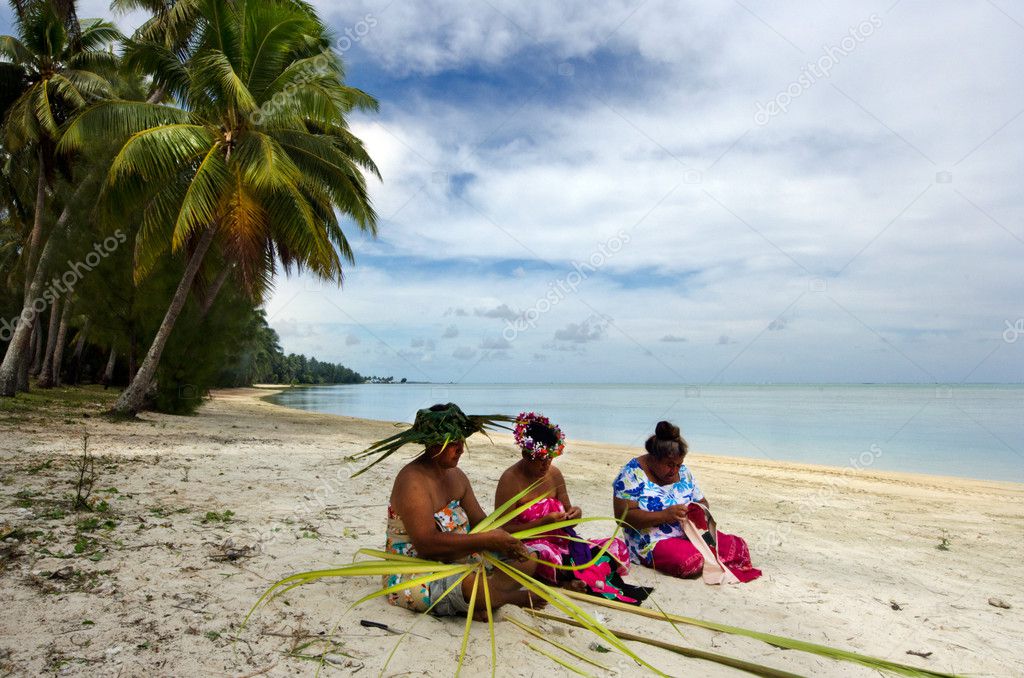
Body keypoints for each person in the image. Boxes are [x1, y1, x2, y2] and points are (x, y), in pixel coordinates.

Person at [376, 404, 544, 617]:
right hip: (416, 569)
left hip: (460, 560)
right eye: (452, 443)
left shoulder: (456, 476)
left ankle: (487, 597)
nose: (461, 449)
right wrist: (486, 541)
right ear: (433, 444)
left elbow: (480, 521)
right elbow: (427, 545)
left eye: (461, 441)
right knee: (469, 585)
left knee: (530, 560)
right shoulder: (413, 482)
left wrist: (506, 542)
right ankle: (503, 598)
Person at [495, 412, 651, 603]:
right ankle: (572, 579)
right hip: (534, 545)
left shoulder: (553, 474)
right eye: (541, 459)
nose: (546, 465)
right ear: (526, 454)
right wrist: (541, 523)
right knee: (544, 555)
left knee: (614, 546)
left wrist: (576, 513)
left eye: (550, 458)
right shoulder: (510, 480)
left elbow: (571, 517)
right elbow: (503, 530)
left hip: (565, 542)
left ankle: (575, 578)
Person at [612, 421, 761, 582]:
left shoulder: (683, 472)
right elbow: (623, 519)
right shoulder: (631, 474)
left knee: (738, 546)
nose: (675, 470)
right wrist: (664, 515)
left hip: (690, 534)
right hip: (652, 542)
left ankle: (705, 555)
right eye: (669, 465)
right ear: (654, 458)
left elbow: (702, 501)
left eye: (679, 464)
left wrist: (696, 509)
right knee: (690, 561)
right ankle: (704, 557)